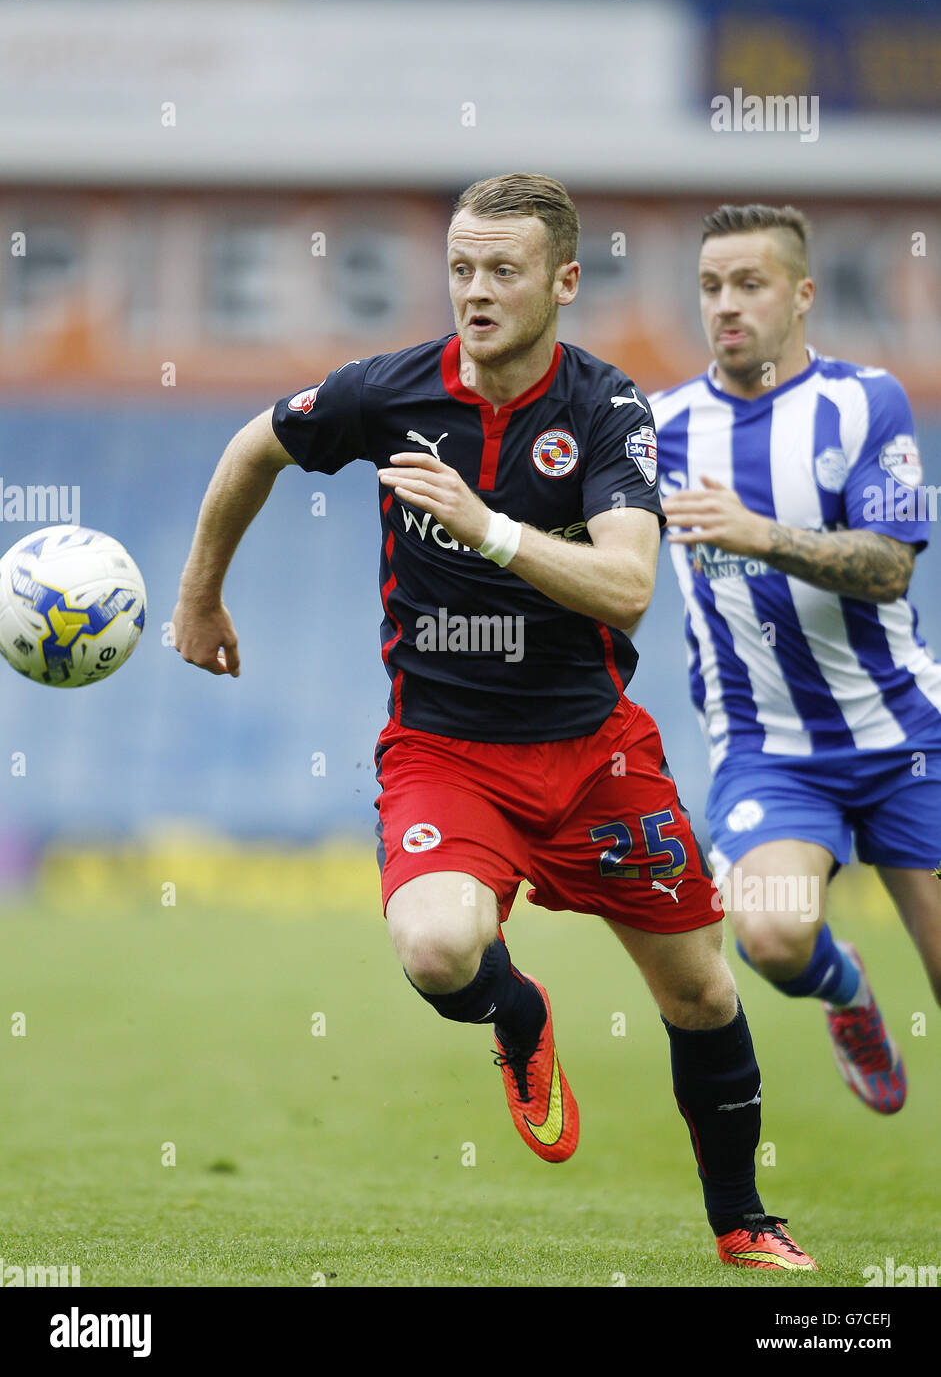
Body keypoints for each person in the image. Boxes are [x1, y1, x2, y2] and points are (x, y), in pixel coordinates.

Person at [172, 174, 814, 1271]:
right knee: (434, 949)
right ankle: (517, 1015)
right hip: (445, 750)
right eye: (461, 268)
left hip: (593, 750)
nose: (474, 291)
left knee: (701, 989)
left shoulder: (607, 410)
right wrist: (198, 595)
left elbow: (625, 587)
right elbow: (252, 450)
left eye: (502, 271)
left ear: (562, 281)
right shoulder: (386, 393)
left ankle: (741, 1220)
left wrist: (490, 526)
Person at [654, 202, 941, 1117]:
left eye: (749, 284)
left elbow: (888, 567)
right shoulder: (657, 428)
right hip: (768, 751)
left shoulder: (865, 401)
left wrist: (756, 534)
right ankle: (846, 992)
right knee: (773, 935)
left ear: (802, 294)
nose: (725, 306)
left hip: (903, 737)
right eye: (709, 287)